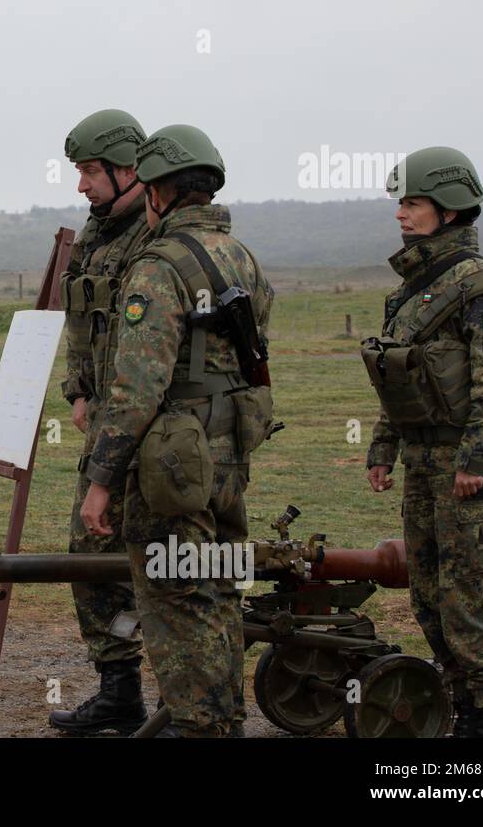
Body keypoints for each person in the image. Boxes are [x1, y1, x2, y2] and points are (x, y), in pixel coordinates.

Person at [80, 125, 274, 737]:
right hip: (226, 456)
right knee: (217, 594)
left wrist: (101, 480)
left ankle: (200, 728)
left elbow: (136, 388)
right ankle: (224, 722)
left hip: (172, 465)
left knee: (175, 602)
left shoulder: (157, 266)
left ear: (157, 191)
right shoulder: (241, 256)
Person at [364, 147, 483, 738]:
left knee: (466, 596)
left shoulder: (481, 287)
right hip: (421, 463)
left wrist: (475, 459)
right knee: (427, 594)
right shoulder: (412, 289)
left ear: (450, 208)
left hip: (463, 467)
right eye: (399, 203)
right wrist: (382, 449)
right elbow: (395, 377)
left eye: (412, 203)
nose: (400, 214)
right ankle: (456, 699)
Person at [49, 109, 154, 735]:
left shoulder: (155, 233)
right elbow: (80, 321)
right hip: (107, 425)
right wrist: (78, 389)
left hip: (154, 430)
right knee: (92, 554)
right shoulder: (97, 234)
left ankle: (187, 702)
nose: (82, 186)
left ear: (129, 169)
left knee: (163, 566)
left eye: (90, 172)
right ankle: (120, 691)